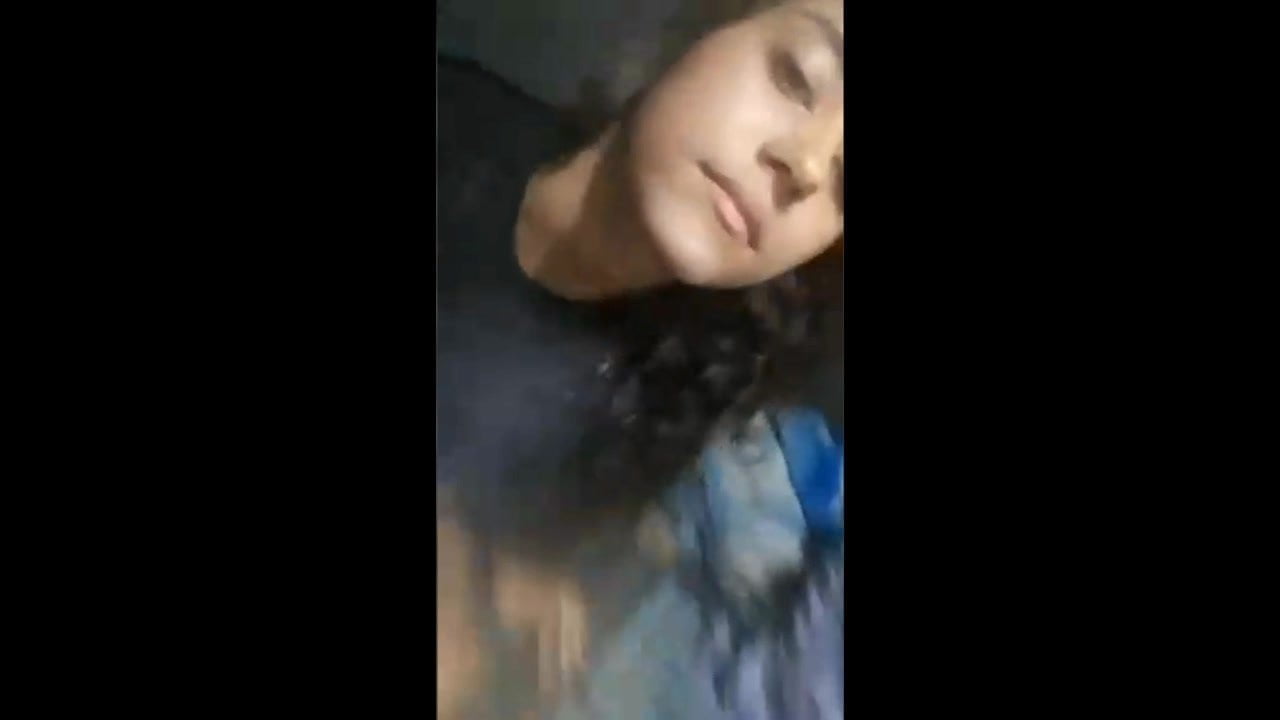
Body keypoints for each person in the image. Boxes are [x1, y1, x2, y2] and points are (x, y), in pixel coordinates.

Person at [436, 1, 843, 716]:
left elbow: (577, 501)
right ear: (698, 30)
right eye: (795, 76)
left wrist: (531, 562)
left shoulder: (707, 365)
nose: (806, 168)